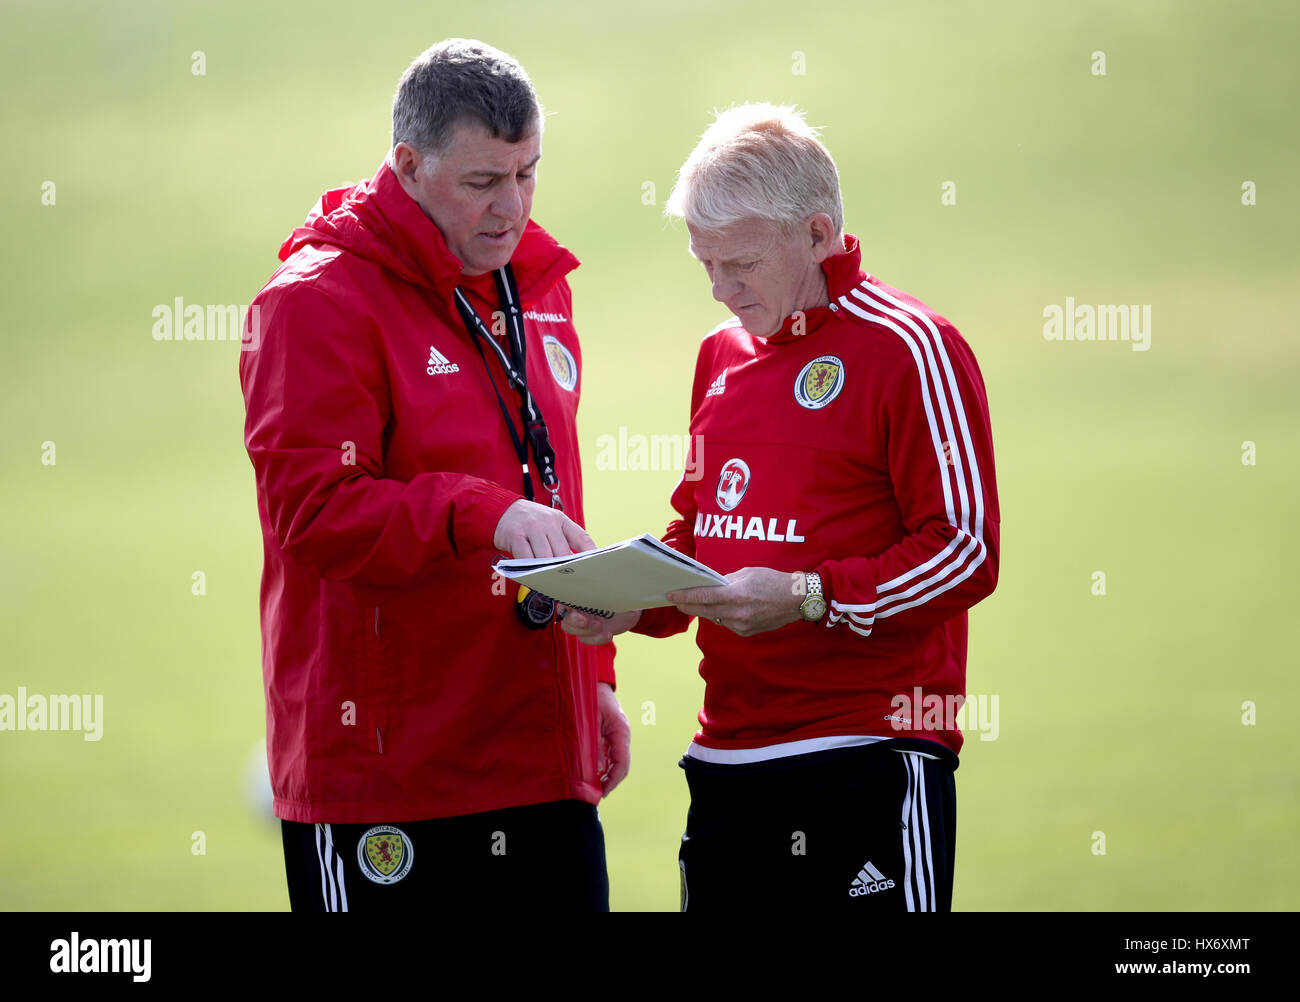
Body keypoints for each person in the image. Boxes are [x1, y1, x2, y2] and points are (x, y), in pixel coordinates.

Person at [561, 103, 1000, 912]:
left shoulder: (912, 346)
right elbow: (702, 533)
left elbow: (965, 550)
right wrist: (625, 600)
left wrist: (809, 596)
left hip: (865, 753)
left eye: (743, 263)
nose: (722, 290)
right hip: (726, 765)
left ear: (817, 231)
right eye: (706, 265)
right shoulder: (719, 357)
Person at [238, 38, 628, 913]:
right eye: (483, 183)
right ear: (408, 167)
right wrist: (479, 512)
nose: (513, 208)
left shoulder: (535, 284)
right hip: (386, 780)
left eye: (528, 174)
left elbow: (550, 499)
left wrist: (591, 682)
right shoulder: (313, 303)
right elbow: (317, 512)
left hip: (539, 761)